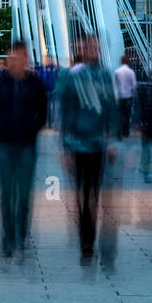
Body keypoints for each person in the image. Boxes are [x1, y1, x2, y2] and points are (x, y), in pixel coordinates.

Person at [56, 35, 118, 262]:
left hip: (98, 146)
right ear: (85, 50)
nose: (93, 51)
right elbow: (67, 114)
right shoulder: (75, 77)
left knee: (94, 194)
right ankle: (86, 242)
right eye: (90, 47)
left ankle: (89, 238)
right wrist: (65, 148)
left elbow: (112, 109)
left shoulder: (105, 76)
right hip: (79, 146)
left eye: (96, 47)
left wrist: (111, 141)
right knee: (83, 195)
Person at [0, 41, 47, 258]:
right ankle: (8, 238)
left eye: (17, 56)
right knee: (6, 195)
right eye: (10, 57)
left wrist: (33, 130)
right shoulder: (0, 82)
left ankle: (21, 235)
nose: (13, 60)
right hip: (4, 145)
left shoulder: (36, 84)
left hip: (27, 146)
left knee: (23, 195)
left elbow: (43, 113)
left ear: (26, 58)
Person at [112, 56, 137, 142]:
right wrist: (134, 95)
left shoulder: (116, 72)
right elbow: (134, 85)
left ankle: (119, 132)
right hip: (128, 96)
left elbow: (114, 85)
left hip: (119, 96)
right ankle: (126, 132)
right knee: (127, 114)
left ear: (121, 62)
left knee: (120, 115)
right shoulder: (131, 72)